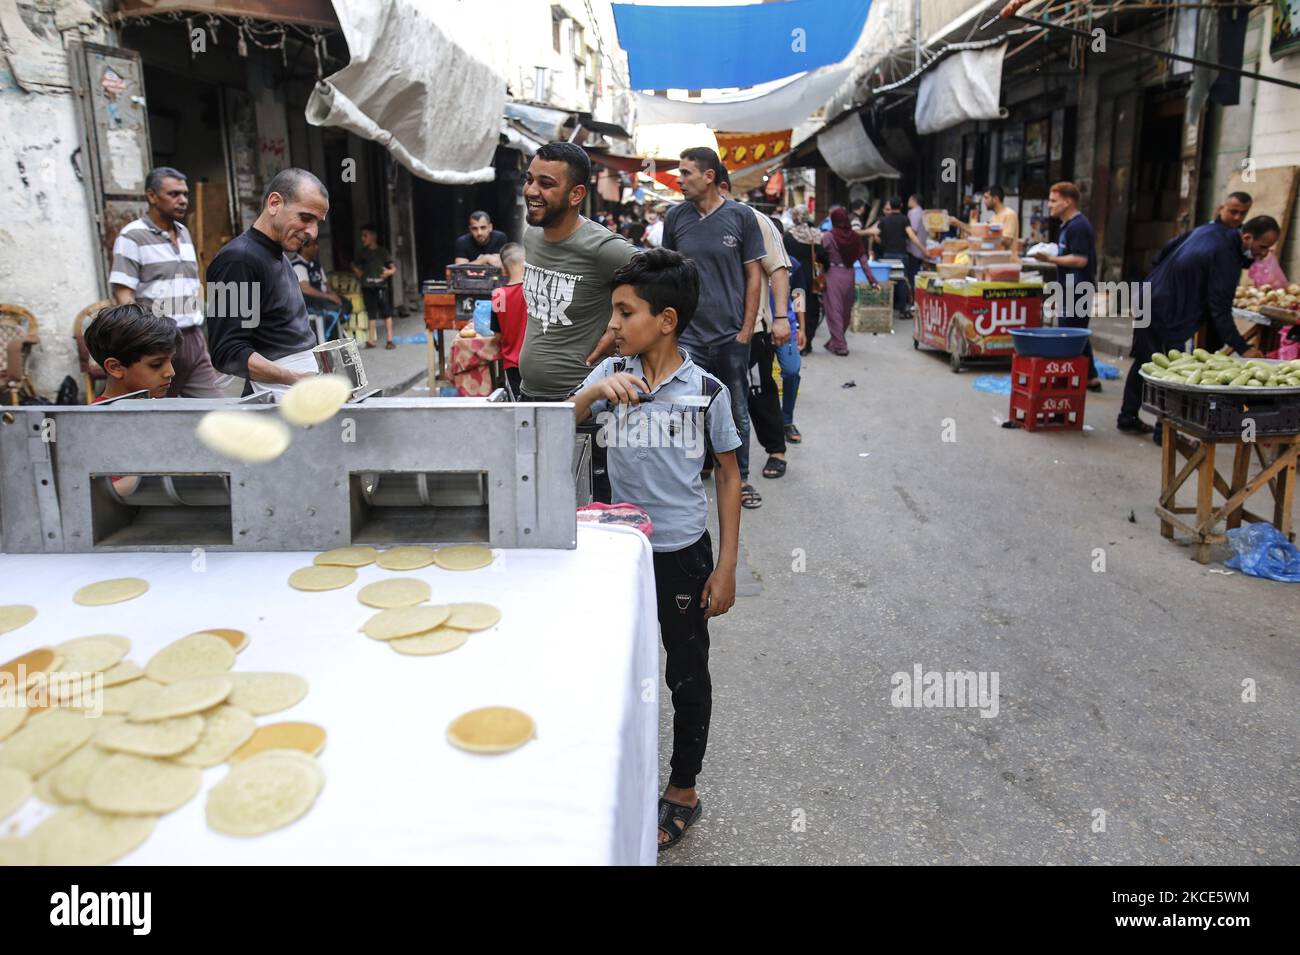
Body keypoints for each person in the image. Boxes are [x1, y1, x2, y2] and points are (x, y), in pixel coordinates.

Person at [569, 248, 741, 852]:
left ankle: (683, 789)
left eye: (625, 312)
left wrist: (725, 568)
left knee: (685, 674)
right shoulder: (608, 374)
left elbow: (727, 475)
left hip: (680, 554)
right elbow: (551, 426)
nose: (614, 324)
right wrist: (592, 396)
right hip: (615, 553)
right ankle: (612, 776)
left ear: (665, 320)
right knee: (616, 669)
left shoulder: (708, 392)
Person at [662, 146, 765, 510]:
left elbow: (755, 275)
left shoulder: (742, 217)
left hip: (730, 334)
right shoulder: (675, 218)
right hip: (688, 336)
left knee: (735, 408)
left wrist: (746, 329)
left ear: (709, 177)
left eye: (687, 173)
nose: (680, 179)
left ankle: (743, 478)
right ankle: (689, 474)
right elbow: (668, 274)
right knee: (686, 406)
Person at [1117, 215, 1277, 434]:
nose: (1265, 252)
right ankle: (1163, 432)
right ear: (1247, 237)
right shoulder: (1225, 257)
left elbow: (1166, 248)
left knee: (1146, 361)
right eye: (1263, 246)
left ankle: (1128, 417)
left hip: (1150, 295)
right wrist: (1243, 347)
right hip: (1166, 309)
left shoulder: (1212, 231)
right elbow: (1219, 308)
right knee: (1172, 371)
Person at [206, 168, 325, 396]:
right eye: (306, 217)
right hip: (279, 398)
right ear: (274, 203)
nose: (313, 232)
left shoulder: (278, 255)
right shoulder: (238, 260)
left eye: (318, 222)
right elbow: (228, 351)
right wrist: (296, 378)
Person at [109, 166, 223, 397]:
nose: (182, 200)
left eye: (185, 194)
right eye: (174, 194)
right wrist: (141, 338)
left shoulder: (184, 233)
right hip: (157, 343)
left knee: (214, 408)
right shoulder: (132, 236)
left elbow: (193, 284)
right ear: (152, 196)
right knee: (160, 413)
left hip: (192, 339)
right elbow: (123, 293)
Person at [718, 172, 791, 482]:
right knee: (715, 397)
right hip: (711, 333)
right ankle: (715, 458)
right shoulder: (696, 222)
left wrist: (781, 317)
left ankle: (776, 450)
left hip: (755, 329)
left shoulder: (755, 220)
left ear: (720, 187)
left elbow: (778, 269)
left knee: (760, 392)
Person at [1033, 182, 1101, 392]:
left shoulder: (1079, 226)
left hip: (1078, 289)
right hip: (1068, 287)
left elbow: (1081, 260)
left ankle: (1069, 379)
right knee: (1074, 331)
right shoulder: (1066, 226)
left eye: (1054, 201)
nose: (1050, 206)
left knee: (1071, 334)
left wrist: (1050, 258)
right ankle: (1089, 377)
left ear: (1068, 201)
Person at [84, 302, 180, 402]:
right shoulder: (100, 416)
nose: (170, 372)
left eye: (171, 360)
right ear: (115, 367)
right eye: (156, 364)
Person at [820, 207, 878, 356]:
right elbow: (864, 261)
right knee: (845, 311)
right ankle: (836, 342)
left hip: (832, 274)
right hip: (849, 275)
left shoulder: (828, 236)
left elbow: (818, 254)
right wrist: (873, 281)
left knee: (835, 311)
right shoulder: (855, 238)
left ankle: (840, 345)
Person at [770, 216, 806, 444]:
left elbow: (799, 294)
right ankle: (768, 423)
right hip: (760, 329)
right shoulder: (753, 264)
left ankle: (787, 420)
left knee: (792, 371)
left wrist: (802, 326)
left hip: (788, 329)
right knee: (759, 381)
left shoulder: (793, 264)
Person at [290, 236, 350, 342]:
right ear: (304, 247)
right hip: (308, 301)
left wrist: (334, 295)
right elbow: (306, 289)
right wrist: (328, 296)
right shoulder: (297, 265)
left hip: (322, 298)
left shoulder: (315, 264)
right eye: (314, 245)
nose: (317, 247)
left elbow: (325, 284)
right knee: (334, 308)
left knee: (346, 304)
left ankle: (333, 331)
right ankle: (325, 337)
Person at [785, 205, 827, 355]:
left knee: (796, 307)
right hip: (811, 278)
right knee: (812, 309)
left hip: (794, 275)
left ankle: (796, 340)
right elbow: (823, 256)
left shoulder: (789, 235)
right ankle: (807, 343)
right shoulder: (815, 235)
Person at [352, 225, 396, 350]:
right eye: (362, 236)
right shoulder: (362, 253)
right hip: (367, 286)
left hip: (380, 286)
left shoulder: (382, 252)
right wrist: (357, 271)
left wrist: (389, 272)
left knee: (386, 312)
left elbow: (392, 267)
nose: (362, 238)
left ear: (373, 236)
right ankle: (371, 340)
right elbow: (353, 264)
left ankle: (389, 340)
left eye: (365, 235)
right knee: (371, 313)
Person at [493, 242, 527, 399]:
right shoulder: (533, 291)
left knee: (520, 407)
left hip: (512, 364)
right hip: (536, 361)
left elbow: (498, 336)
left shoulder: (498, 295)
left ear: (504, 270)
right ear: (526, 263)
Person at [874, 198, 914, 319]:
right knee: (901, 282)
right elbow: (911, 235)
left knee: (887, 282)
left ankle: (886, 308)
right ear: (901, 205)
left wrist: (883, 242)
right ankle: (902, 309)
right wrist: (923, 249)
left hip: (887, 255)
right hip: (901, 255)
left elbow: (875, 233)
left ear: (890, 206)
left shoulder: (884, 220)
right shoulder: (904, 219)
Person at [950, 186, 1020, 251]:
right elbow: (978, 232)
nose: (984, 201)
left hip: (1008, 262)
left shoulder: (1009, 214)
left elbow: (1007, 241)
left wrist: (987, 237)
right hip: (996, 261)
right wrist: (957, 223)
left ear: (995, 198)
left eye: (986, 198)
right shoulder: (993, 218)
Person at [904, 194, 930, 313]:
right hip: (922, 247)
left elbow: (912, 231)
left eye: (909, 199)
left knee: (912, 276)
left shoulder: (913, 213)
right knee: (918, 275)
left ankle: (915, 301)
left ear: (914, 201)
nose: (908, 201)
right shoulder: (924, 213)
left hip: (913, 248)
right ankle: (919, 300)